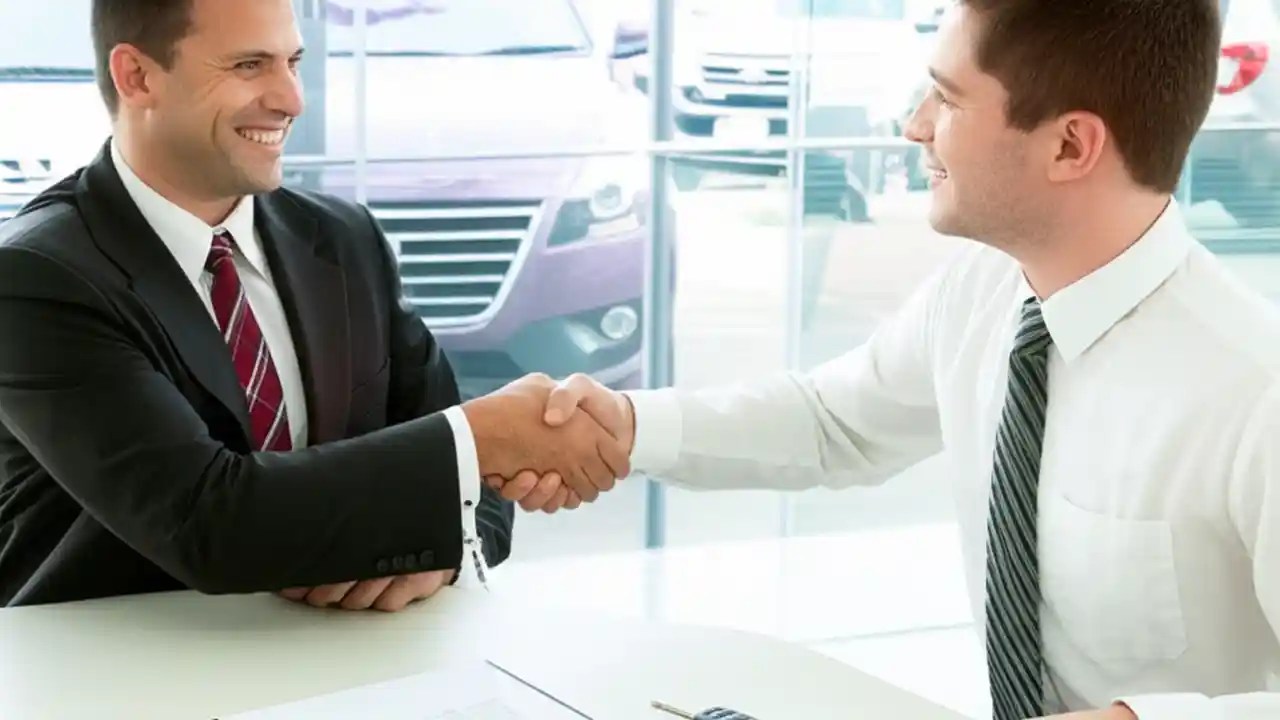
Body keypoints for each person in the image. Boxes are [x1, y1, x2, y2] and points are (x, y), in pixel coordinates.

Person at [505, 1, 1280, 718]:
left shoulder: (1255, 391)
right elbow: (832, 421)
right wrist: (624, 428)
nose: (914, 125)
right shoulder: (981, 294)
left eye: (947, 99)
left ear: (1070, 144)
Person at [0, 0, 623, 608]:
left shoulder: (344, 241)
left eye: (292, 62)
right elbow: (208, 523)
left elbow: (475, 489)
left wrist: (434, 557)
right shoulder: (37, 279)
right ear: (137, 76)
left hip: (352, 672)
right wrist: (482, 435)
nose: (291, 99)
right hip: (113, 684)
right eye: (249, 66)